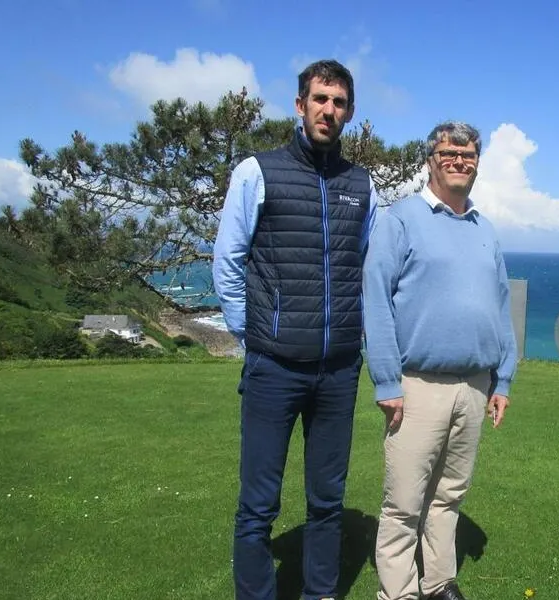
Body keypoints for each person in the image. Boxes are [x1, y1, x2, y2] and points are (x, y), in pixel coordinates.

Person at [212, 59, 379, 600]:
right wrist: (252, 333)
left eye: (338, 102)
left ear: (348, 112)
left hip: (337, 371)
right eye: (319, 98)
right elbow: (228, 260)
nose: (328, 110)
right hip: (274, 367)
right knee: (258, 504)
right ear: (300, 104)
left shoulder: (361, 184)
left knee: (327, 501)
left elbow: (372, 266)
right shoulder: (257, 171)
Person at [362, 121, 518, 600]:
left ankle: (437, 582)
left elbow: (500, 306)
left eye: (468, 154)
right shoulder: (402, 219)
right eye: (449, 152)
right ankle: (399, 593)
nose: (459, 160)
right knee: (405, 502)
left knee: (449, 495)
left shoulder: (484, 229)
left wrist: (503, 380)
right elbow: (375, 299)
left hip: (473, 385)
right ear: (430, 158)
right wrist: (387, 381)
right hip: (417, 384)